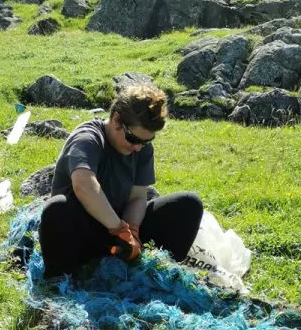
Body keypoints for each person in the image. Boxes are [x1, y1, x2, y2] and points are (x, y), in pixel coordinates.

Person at [38, 82, 204, 278]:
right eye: (133, 139)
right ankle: (62, 280)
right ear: (117, 120)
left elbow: (137, 197)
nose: (138, 148)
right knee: (57, 209)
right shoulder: (87, 139)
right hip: (80, 232)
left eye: (147, 141)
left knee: (188, 204)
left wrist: (131, 231)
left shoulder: (142, 149)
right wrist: (118, 229)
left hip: (117, 233)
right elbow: (84, 185)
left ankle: (155, 277)